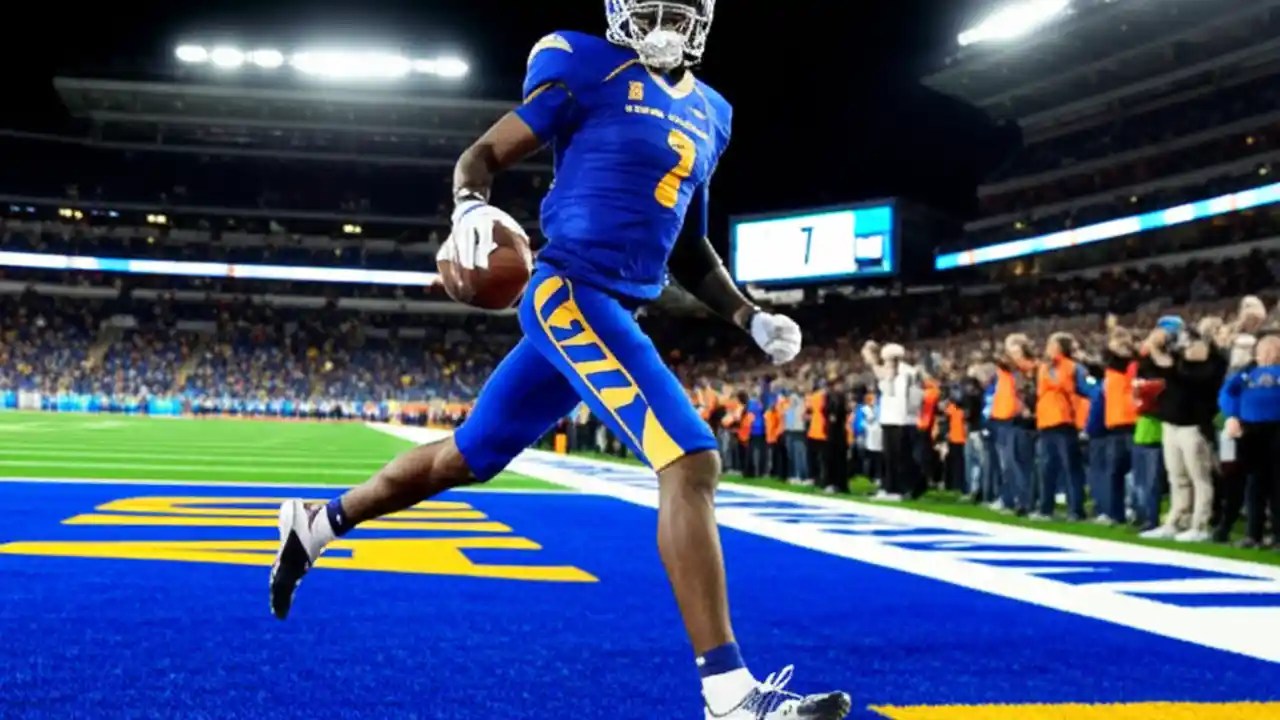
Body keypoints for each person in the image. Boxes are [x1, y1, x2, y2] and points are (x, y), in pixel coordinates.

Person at [268, 4, 851, 718]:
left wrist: (747, 315)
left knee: (464, 456)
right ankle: (729, 695)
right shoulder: (588, 67)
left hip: (615, 303)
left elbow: (690, 249)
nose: (662, 20)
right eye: (649, 5)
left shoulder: (712, 112)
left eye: (677, 7)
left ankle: (319, 521)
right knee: (691, 463)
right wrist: (469, 206)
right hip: (568, 289)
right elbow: (479, 157)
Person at [1219, 335, 1280, 548]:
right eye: (1263, 349)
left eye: (1272, 349)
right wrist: (1233, 415)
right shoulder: (1247, 373)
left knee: (1276, 485)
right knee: (1254, 483)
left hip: (1276, 428)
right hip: (1251, 430)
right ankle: (1253, 534)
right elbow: (1227, 392)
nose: (1266, 353)